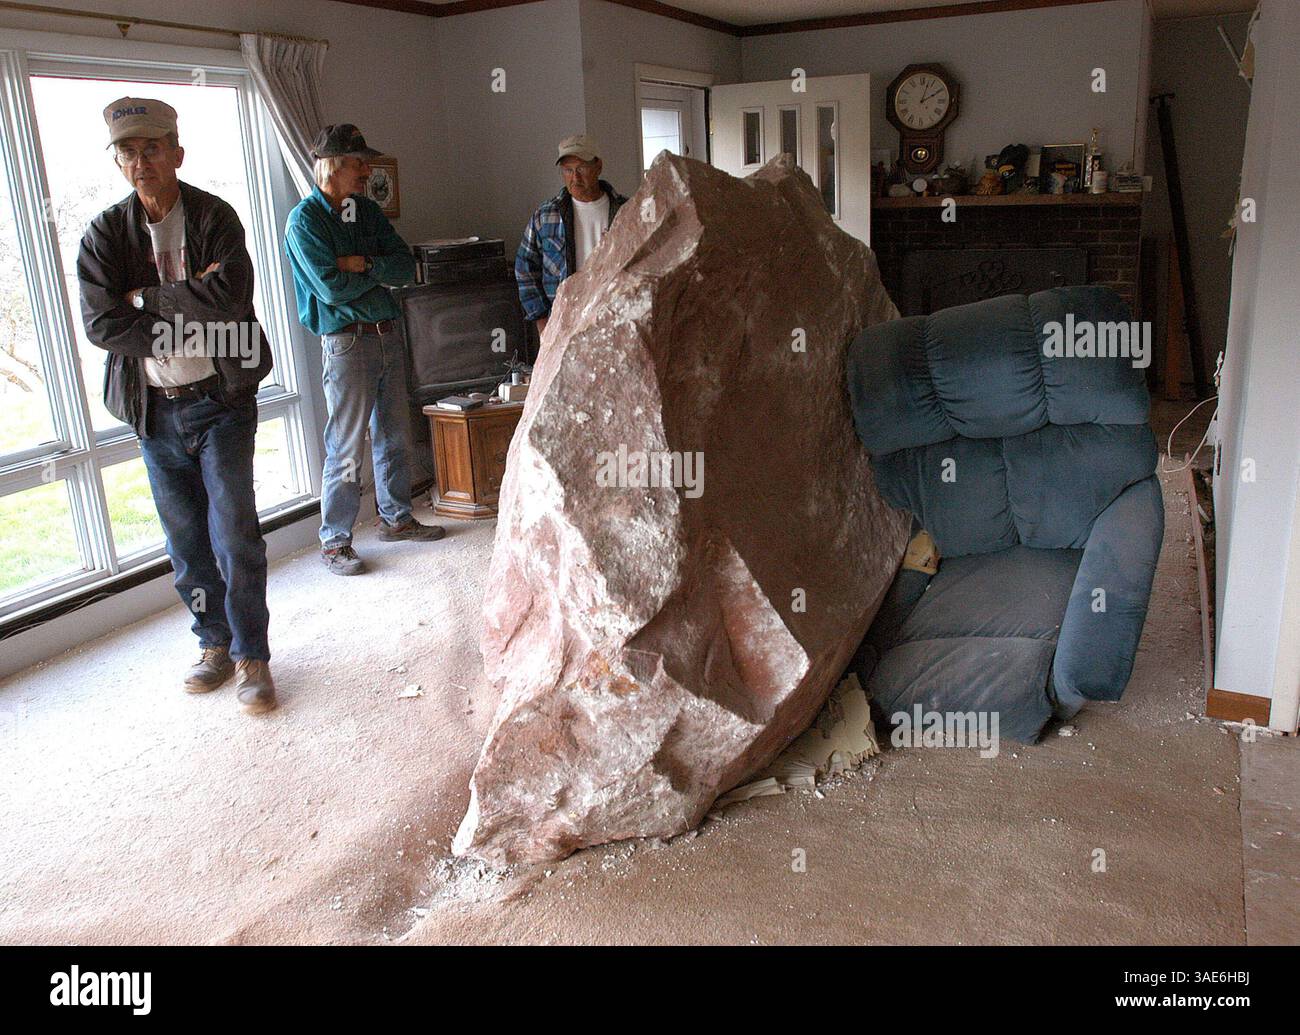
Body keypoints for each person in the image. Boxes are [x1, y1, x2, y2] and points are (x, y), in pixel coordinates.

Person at [77, 96, 277, 714]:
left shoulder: (215, 216)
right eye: (128, 153)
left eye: (153, 149)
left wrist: (149, 299)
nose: (142, 162)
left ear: (176, 153)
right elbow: (102, 324)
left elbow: (233, 295)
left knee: (235, 534)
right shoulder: (105, 233)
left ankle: (252, 655)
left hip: (220, 400)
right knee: (187, 540)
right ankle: (212, 643)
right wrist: (190, 309)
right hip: (154, 410)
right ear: (118, 163)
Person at [284, 124, 444, 576]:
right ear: (333, 166)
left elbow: (404, 267)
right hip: (347, 342)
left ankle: (396, 519)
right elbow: (331, 289)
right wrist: (365, 274)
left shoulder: (367, 212)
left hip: (387, 333)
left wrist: (363, 263)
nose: (366, 170)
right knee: (347, 445)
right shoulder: (305, 220)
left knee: (394, 432)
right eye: (359, 163)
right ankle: (335, 541)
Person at [515, 133, 627, 337]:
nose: (575, 178)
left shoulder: (626, 212)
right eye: (568, 170)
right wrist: (542, 322)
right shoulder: (546, 216)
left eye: (581, 168)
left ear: (598, 167)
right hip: (564, 325)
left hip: (616, 321)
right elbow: (524, 268)